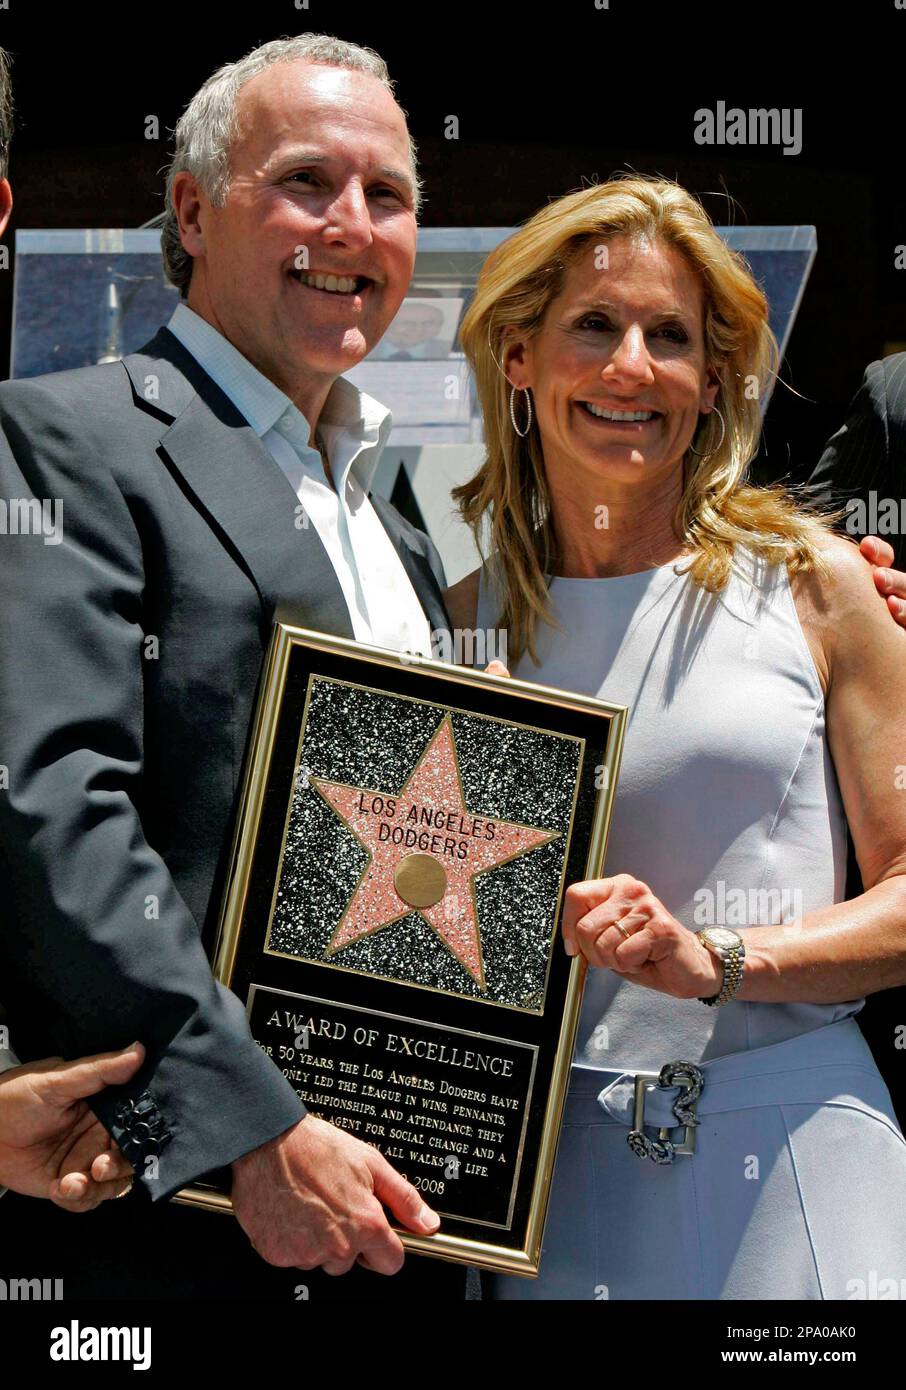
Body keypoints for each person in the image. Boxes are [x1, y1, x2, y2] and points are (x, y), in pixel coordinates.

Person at [0, 34, 463, 1299]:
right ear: (195, 215)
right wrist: (248, 1122)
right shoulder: (73, 439)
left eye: (391, 195)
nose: (352, 226)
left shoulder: (395, 505)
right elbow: (53, 803)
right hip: (194, 1208)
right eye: (308, 182)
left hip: (405, 1192)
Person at [445, 174, 906, 1299]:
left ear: (712, 383)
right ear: (519, 357)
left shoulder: (820, 583)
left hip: (795, 1149)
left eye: (672, 337)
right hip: (550, 1190)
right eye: (593, 325)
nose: (631, 366)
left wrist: (724, 961)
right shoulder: (457, 623)